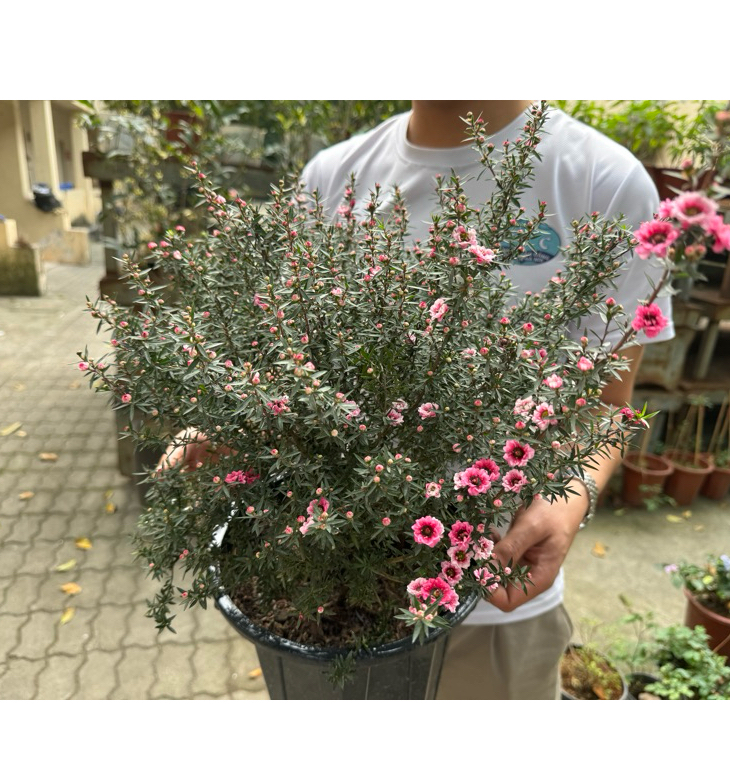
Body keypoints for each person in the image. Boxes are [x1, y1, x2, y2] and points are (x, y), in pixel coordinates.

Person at [161, 100, 675, 699]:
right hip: (329, 583)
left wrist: (573, 497)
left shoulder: (603, 180)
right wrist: (240, 417)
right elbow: (289, 359)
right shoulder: (331, 177)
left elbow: (607, 404)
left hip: (494, 591)